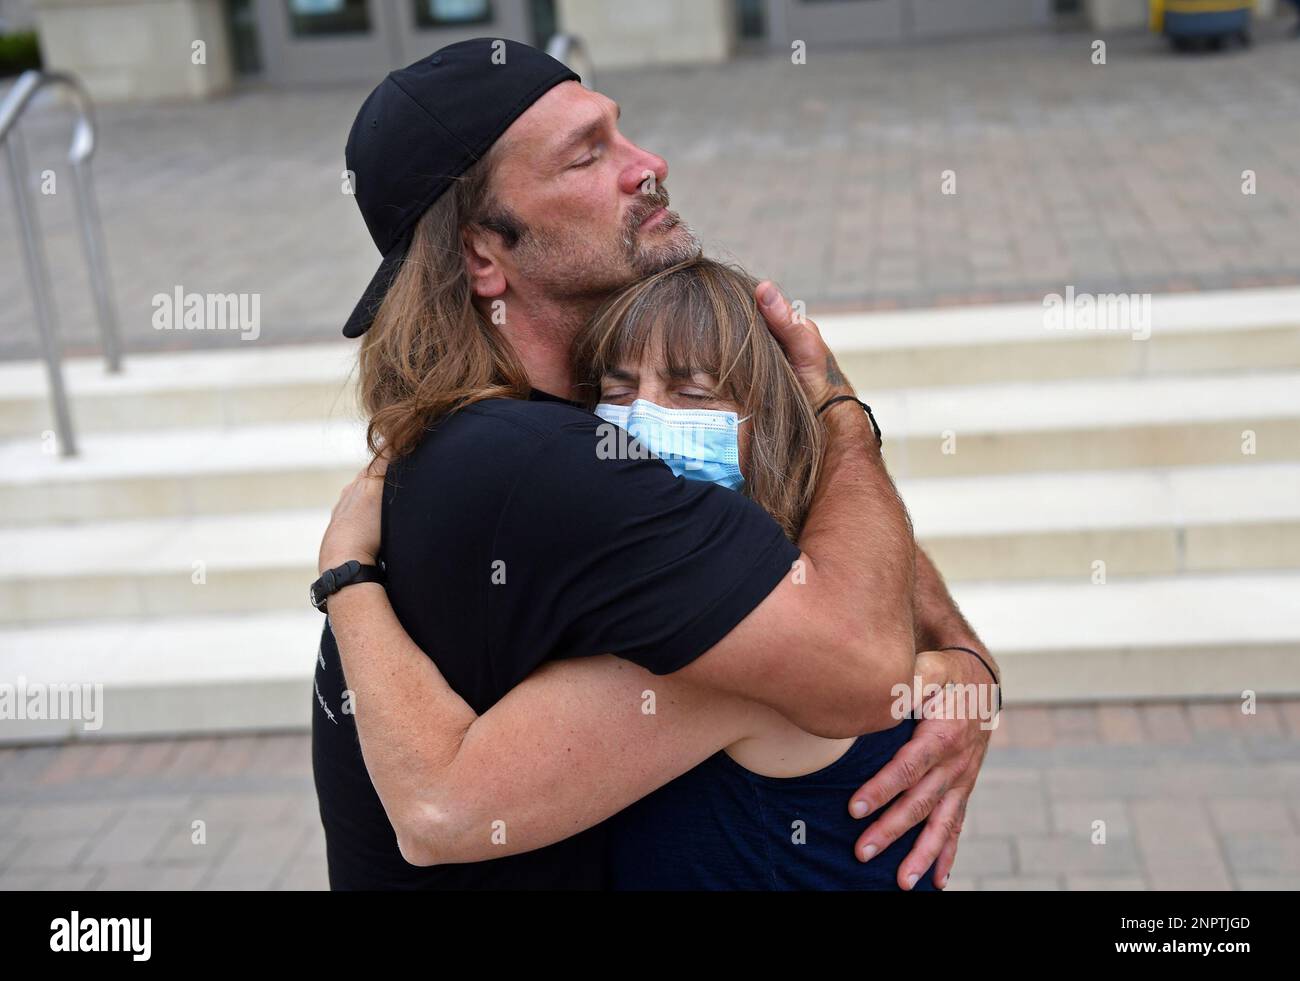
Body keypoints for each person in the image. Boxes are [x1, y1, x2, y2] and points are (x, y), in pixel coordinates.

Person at [312, 38, 995, 891]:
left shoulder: (569, 431)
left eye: (622, 134)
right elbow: (859, 665)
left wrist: (964, 662)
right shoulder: (531, 466)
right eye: (586, 155)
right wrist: (844, 420)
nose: (649, 166)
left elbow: (823, 550)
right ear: (483, 253)